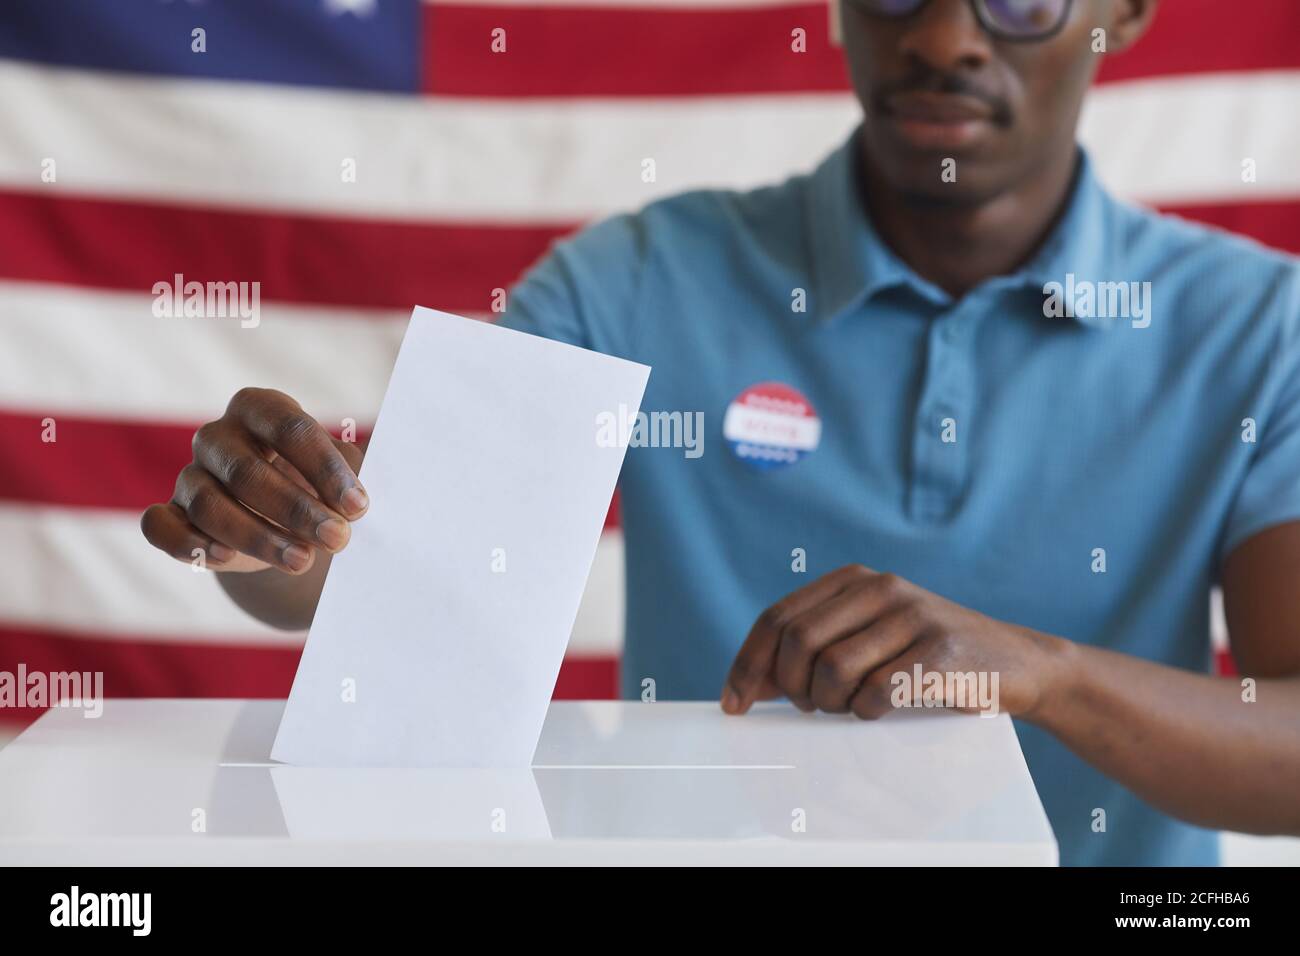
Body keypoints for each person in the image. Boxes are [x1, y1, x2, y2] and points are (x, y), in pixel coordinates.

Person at [141, 0, 1300, 865]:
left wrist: (1040, 674)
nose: (946, 35)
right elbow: (389, 576)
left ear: (1127, 14)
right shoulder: (641, 278)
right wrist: (270, 533)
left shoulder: (1254, 325)